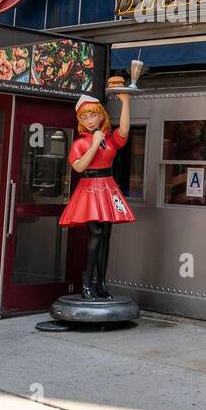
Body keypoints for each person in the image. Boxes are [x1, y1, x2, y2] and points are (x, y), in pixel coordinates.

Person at [60, 83, 133, 299]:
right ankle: (87, 281)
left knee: (106, 235)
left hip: (108, 186)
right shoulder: (80, 143)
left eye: (94, 115)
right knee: (96, 233)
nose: (91, 120)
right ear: (81, 121)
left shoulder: (109, 138)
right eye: (86, 117)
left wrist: (126, 102)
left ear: (101, 116)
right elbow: (79, 166)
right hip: (89, 189)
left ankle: (101, 282)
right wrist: (93, 144)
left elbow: (125, 131)